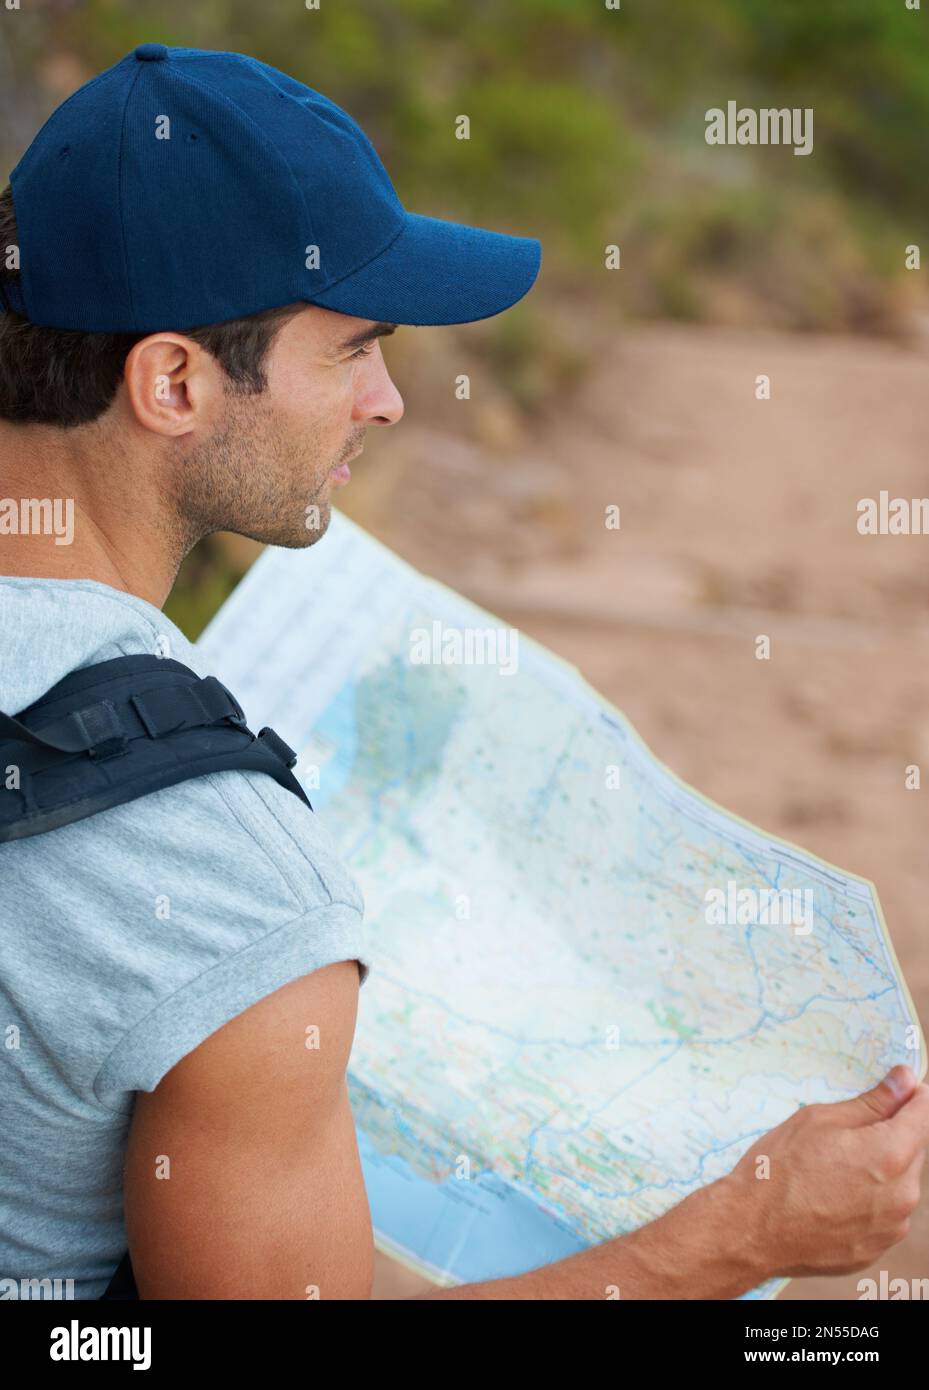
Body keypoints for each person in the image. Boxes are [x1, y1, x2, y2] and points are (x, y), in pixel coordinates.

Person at [0, 44, 926, 1301]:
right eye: (353, 349)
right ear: (173, 381)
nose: (385, 402)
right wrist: (734, 1237)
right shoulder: (221, 876)